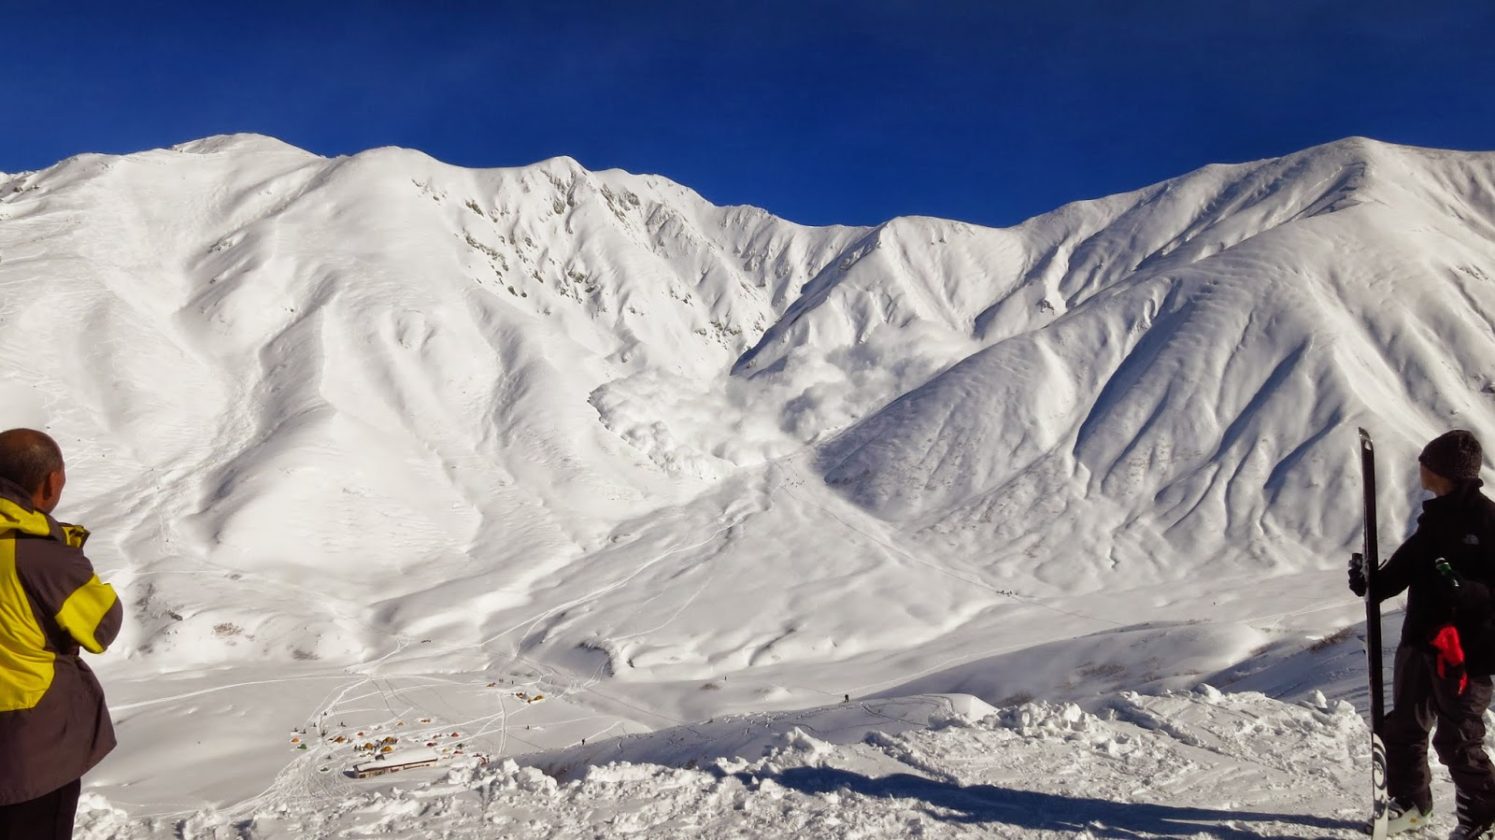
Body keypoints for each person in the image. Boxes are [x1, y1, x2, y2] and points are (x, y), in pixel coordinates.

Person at [1350, 430, 1495, 839]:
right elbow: (1399, 573)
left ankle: (1484, 817)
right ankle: (1412, 805)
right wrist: (1368, 583)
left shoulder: (1488, 521)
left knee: (1459, 737)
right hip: (1420, 640)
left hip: (1465, 650)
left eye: (1426, 463)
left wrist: (1468, 592)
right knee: (1404, 729)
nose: (1420, 469)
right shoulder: (1434, 521)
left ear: (1445, 472)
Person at [0, 429, 122, 839]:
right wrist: (66, 553)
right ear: (51, 482)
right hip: (28, 748)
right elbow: (102, 626)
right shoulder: (40, 557)